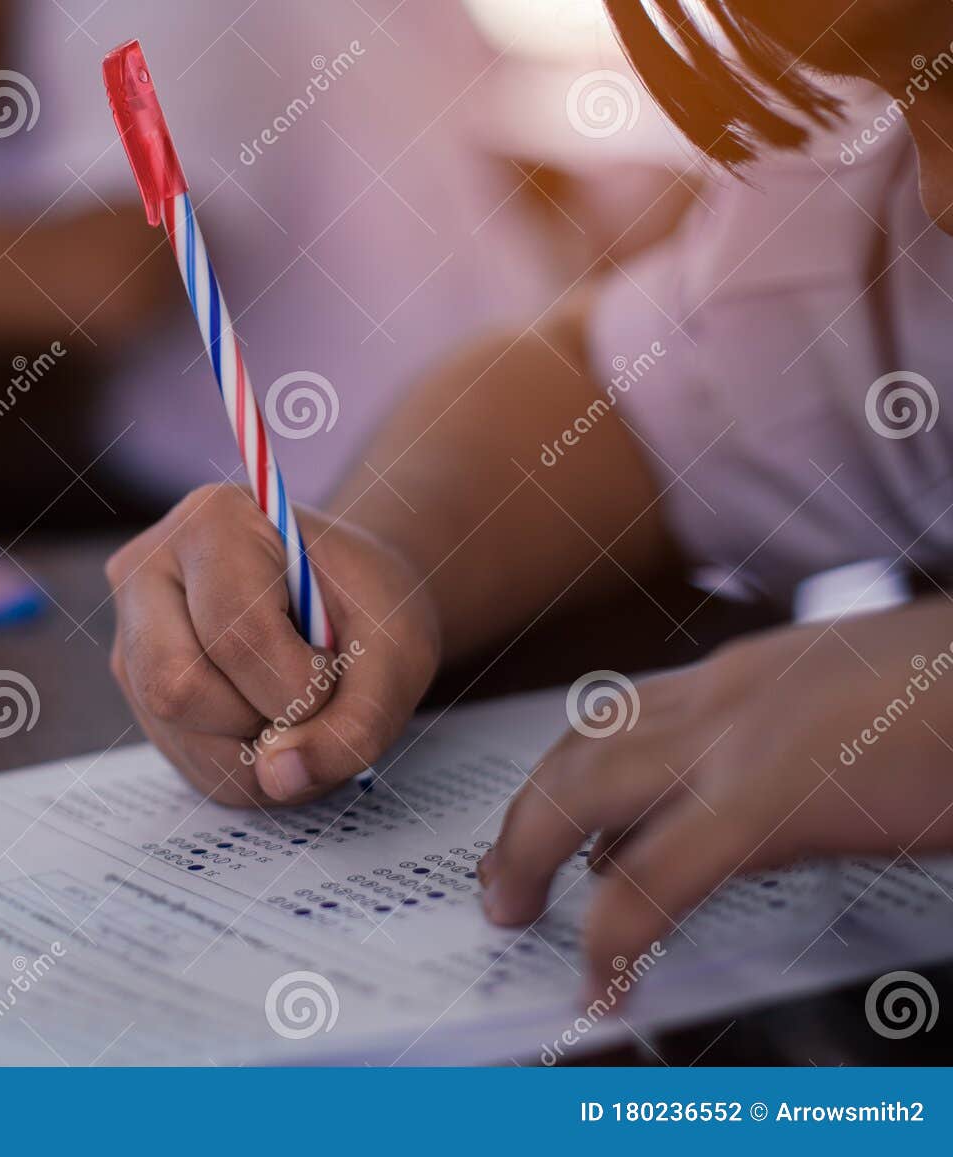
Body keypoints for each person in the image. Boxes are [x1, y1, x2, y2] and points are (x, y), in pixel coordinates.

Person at [105, 0, 953, 997]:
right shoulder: (873, 184)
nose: (938, 196)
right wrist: (381, 553)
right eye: (904, 90)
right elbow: (615, 398)